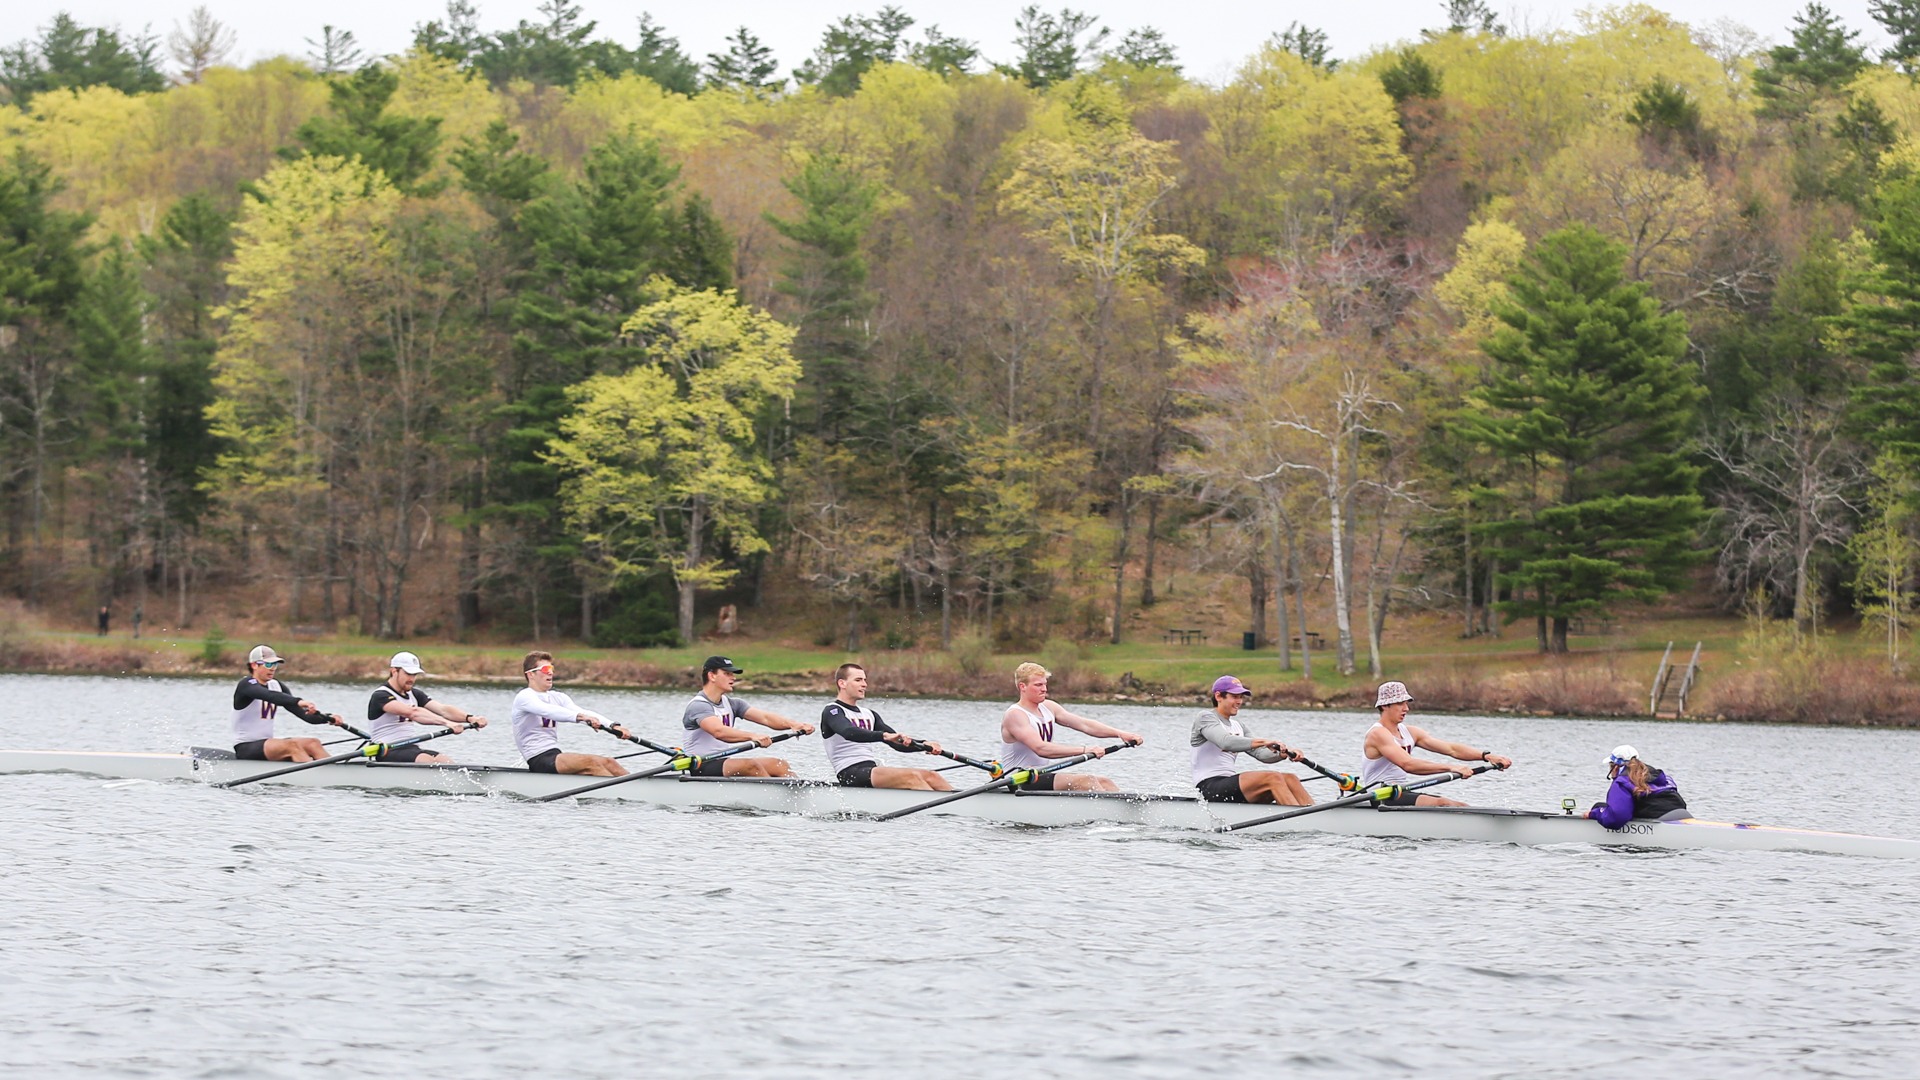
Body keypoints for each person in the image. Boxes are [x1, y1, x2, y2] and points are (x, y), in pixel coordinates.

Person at [1360, 681, 1512, 807]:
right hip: (1379, 795)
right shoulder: (1377, 734)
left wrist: (1486, 756)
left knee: (1460, 806)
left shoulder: (1411, 732)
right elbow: (1408, 764)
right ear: (1385, 706)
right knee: (1443, 803)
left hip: (1399, 792)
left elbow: (1452, 749)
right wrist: (1450, 767)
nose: (1406, 708)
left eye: (1406, 703)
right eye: (1400, 703)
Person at [1000, 662, 1143, 793]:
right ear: (1022, 687)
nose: (1044, 689)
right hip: (1018, 778)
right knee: (1087, 781)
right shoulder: (1015, 715)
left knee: (1105, 782)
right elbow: (1041, 749)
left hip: (1039, 774)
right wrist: (1086, 750)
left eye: (1045, 684)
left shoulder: (1049, 707)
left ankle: (1122, 815)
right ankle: (1106, 815)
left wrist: (1120, 733)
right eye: (1038, 685)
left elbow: (1085, 725)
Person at [819, 663, 953, 791]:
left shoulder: (870, 714)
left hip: (870, 770)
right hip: (849, 773)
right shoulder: (832, 711)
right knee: (912, 777)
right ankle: (935, 811)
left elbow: (898, 744)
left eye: (865, 680)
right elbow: (848, 732)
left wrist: (924, 744)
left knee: (932, 776)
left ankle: (959, 807)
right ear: (842, 683)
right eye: (858, 680)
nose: (864, 684)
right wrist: (883, 735)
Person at [680, 656, 814, 777]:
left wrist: (793, 724)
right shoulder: (698, 706)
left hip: (722, 761)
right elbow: (719, 731)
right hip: (699, 765)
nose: (733, 678)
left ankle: (799, 797)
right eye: (727, 673)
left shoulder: (733, 704)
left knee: (779, 764)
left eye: (732, 674)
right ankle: (774, 800)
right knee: (750, 765)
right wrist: (753, 736)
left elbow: (765, 718)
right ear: (712, 676)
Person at [1191, 675, 1313, 806]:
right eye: (1234, 696)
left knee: (1290, 778)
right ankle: (1298, 821)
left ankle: (1314, 816)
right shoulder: (1205, 718)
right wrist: (1265, 742)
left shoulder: (1239, 726)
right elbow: (1226, 742)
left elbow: (1261, 754)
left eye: (1241, 697)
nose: (1239, 701)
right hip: (1209, 787)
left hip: (1228, 785)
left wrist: (1284, 753)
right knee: (1273, 778)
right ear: (1218, 696)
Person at [510, 651, 627, 777]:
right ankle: (620, 791)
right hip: (538, 758)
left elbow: (580, 711)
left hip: (554, 755)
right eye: (545, 669)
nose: (550, 672)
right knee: (592, 763)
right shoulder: (524, 697)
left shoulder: (558, 697)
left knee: (610, 762)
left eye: (551, 668)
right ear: (531, 674)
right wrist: (580, 718)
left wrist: (613, 725)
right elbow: (548, 711)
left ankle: (634, 788)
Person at [232, 644, 348, 761]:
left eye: (275, 664)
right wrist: (298, 701)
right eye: (268, 664)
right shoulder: (246, 684)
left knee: (313, 743)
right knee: (292, 745)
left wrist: (328, 718)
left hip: (267, 744)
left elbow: (306, 716)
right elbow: (269, 695)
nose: (272, 668)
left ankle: (334, 773)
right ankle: (315, 775)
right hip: (245, 747)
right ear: (254, 665)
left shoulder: (276, 685)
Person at [366, 651, 488, 763]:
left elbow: (443, 709)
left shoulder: (414, 694)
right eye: (408, 674)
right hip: (387, 750)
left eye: (414, 675)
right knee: (425, 760)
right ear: (394, 671)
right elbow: (412, 712)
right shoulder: (381, 696)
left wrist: (470, 718)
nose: (412, 679)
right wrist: (447, 723)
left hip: (411, 747)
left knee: (445, 761)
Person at [1586, 745, 1689, 827]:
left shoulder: (1621, 782)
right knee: (1601, 806)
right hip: (1680, 811)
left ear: (1615, 767)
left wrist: (1593, 814)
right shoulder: (1659, 776)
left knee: (1598, 808)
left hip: (1661, 818)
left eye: (1610, 766)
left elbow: (1617, 818)